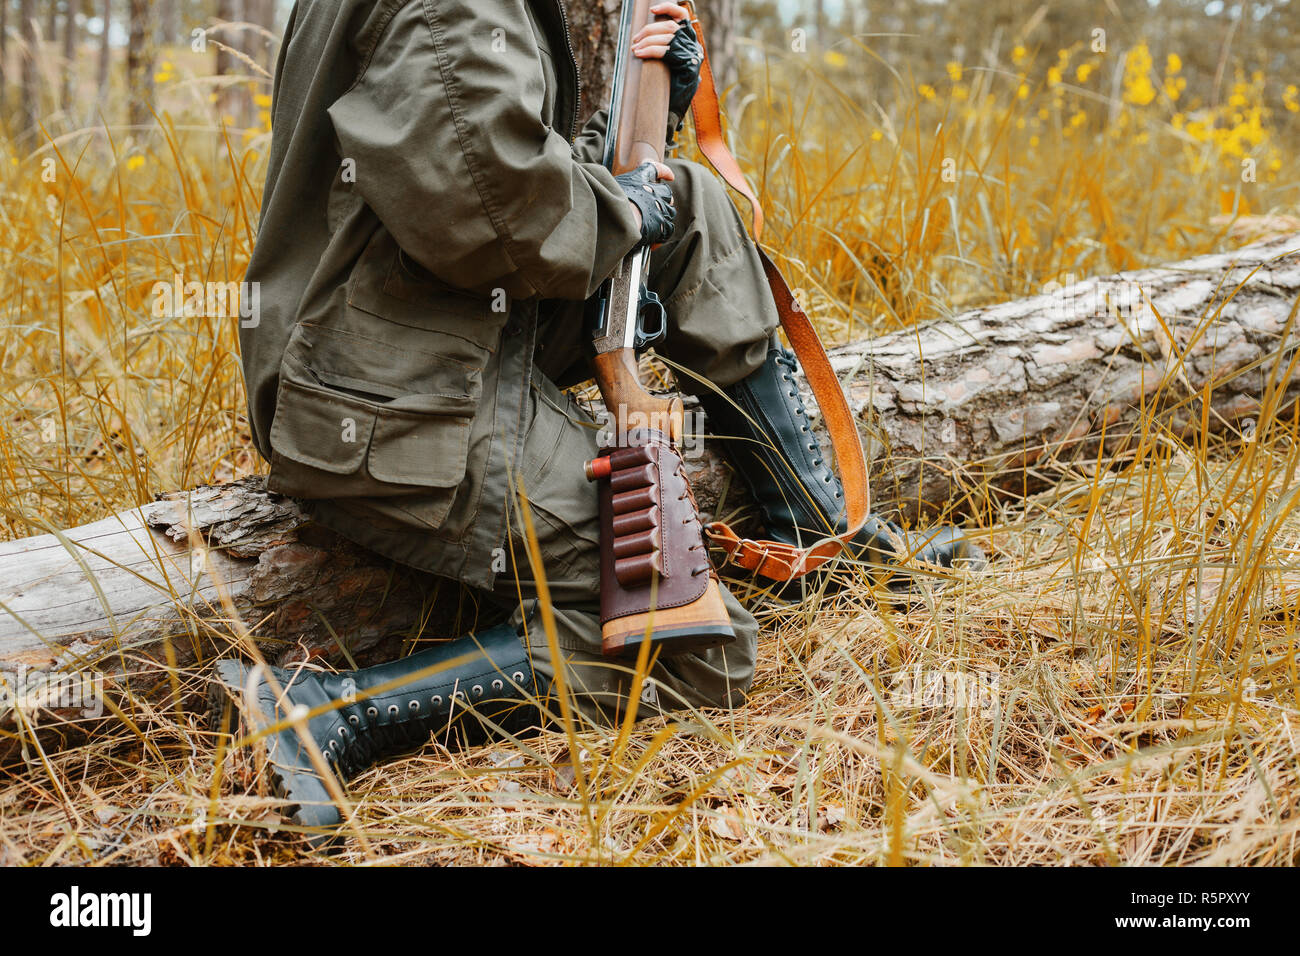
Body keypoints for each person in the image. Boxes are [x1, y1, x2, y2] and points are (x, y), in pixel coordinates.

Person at [212, 0, 981, 844]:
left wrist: (651, 118)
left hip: (437, 322)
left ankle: (814, 533)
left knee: (689, 206)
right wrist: (618, 211)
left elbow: (504, 168)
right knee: (686, 640)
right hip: (375, 387)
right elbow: (491, 214)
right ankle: (330, 711)